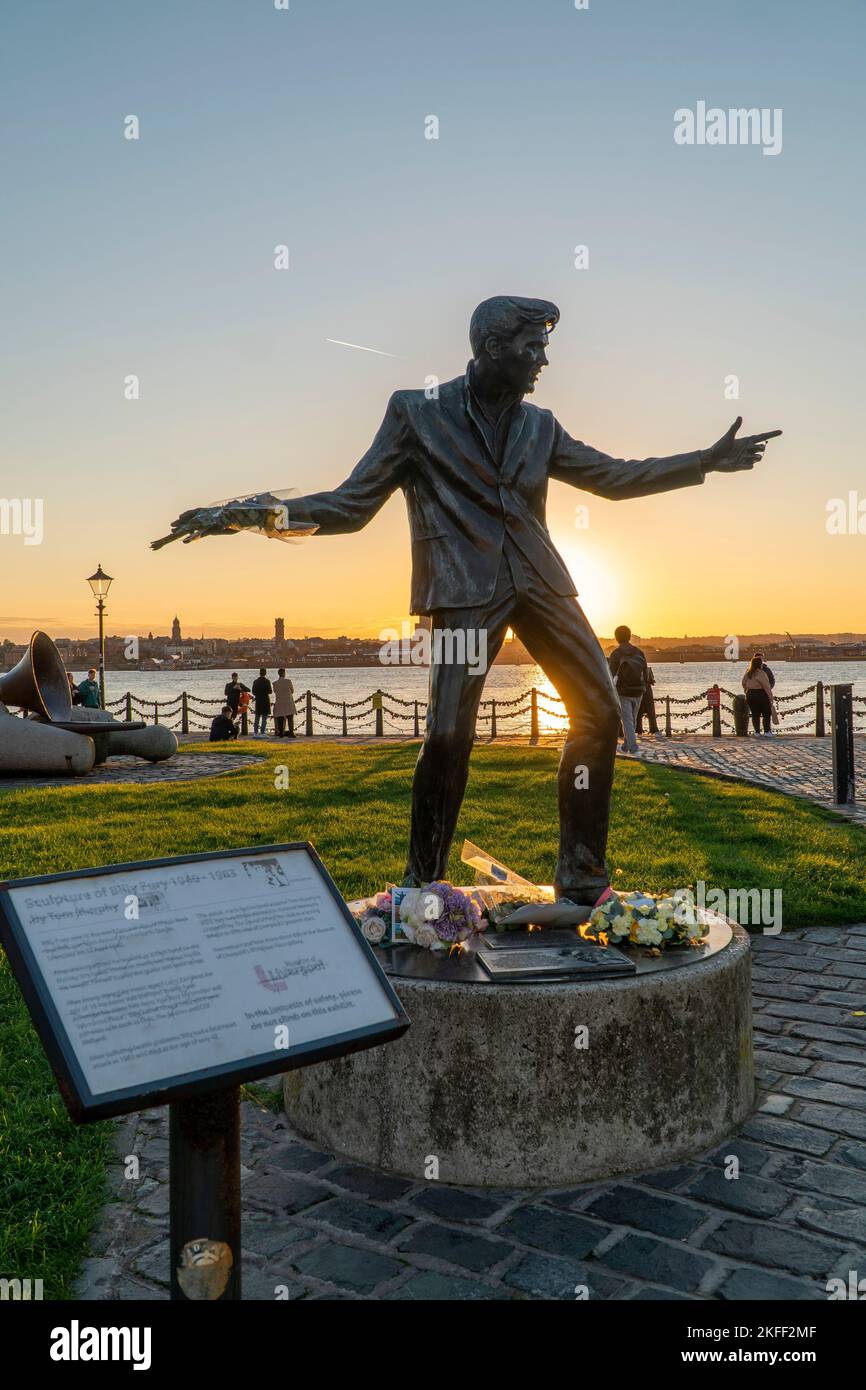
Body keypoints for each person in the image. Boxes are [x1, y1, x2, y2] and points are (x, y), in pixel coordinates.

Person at [161, 294, 781, 902]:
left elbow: (612, 478)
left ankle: (583, 874)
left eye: (544, 345)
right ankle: (423, 882)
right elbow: (351, 506)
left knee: (596, 710)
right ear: (492, 348)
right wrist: (247, 514)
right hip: (461, 591)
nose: (543, 359)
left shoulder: (541, 425)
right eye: (532, 346)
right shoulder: (416, 413)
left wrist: (703, 460)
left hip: (542, 582)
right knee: (449, 735)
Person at [608, 626, 648, 755]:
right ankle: (626, 745)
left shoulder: (616, 654)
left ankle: (633, 748)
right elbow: (645, 671)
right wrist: (644, 686)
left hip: (623, 691)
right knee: (633, 719)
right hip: (639, 690)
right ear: (630, 636)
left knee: (627, 720)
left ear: (616, 638)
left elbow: (610, 675)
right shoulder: (639, 652)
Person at [742, 654, 775, 735]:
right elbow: (766, 686)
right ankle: (767, 732)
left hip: (750, 695)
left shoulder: (748, 673)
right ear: (759, 664)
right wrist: (771, 698)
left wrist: (746, 691)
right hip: (761, 694)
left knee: (755, 714)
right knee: (766, 713)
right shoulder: (761, 673)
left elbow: (743, 683)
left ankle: (757, 732)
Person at [636, 664, 661, 737]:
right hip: (643, 691)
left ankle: (648, 729)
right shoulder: (647, 670)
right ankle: (639, 730)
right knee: (641, 712)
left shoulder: (647, 670)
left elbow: (651, 681)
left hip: (644, 692)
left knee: (647, 712)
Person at [272, 669, 296, 737]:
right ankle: (291, 733)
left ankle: (281, 733)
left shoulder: (275, 683)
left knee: (280, 718)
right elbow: (292, 691)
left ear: (278, 674)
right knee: (290, 717)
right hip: (288, 701)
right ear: (284, 673)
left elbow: (275, 691)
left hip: (279, 702)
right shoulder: (288, 681)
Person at [252, 668, 273, 735]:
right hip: (265, 701)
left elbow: (253, 692)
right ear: (265, 673)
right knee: (264, 718)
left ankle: (255, 732)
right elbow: (270, 691)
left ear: (259, 673)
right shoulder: (267, 681)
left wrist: (258, 694)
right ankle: (263, 732)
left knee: (257, 717)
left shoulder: (255, 681)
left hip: (258, 701)